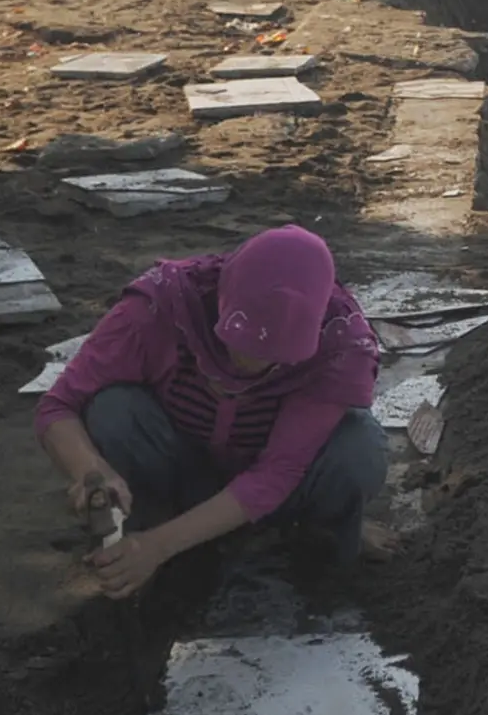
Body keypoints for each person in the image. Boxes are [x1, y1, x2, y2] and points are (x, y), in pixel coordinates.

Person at [34, 226, 388, 599]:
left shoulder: (341, 344)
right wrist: (92, 470)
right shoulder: (160, 306)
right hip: (183, 466)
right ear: (221, 297)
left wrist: (159, 546)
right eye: (237, 347)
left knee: (357, 450)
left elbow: (278, 471)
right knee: (114, 411)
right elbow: (58, 405)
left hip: (281, 487)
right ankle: (150, 535)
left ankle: (316, 537)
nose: (249, 368)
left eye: (274, 360)